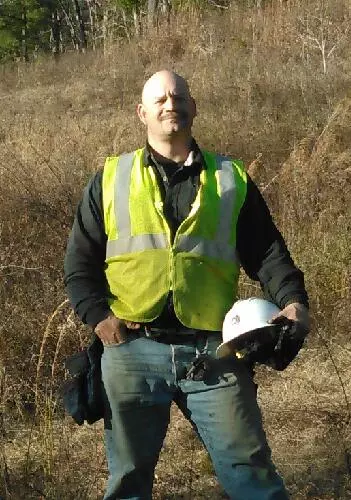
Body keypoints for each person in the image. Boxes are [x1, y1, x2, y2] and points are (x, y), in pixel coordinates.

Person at [64, 69, 310, 500]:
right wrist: (98, 318)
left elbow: (268, 254)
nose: (169, 104)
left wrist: (293, 301)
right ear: (142, 112)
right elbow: (79, 265)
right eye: (158, 99)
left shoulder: (230, 178)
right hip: (131, 352)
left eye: (178, 96)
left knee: (251, 474)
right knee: (128, 481)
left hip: (213, 351)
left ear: (193, 107)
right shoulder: (110, 179)